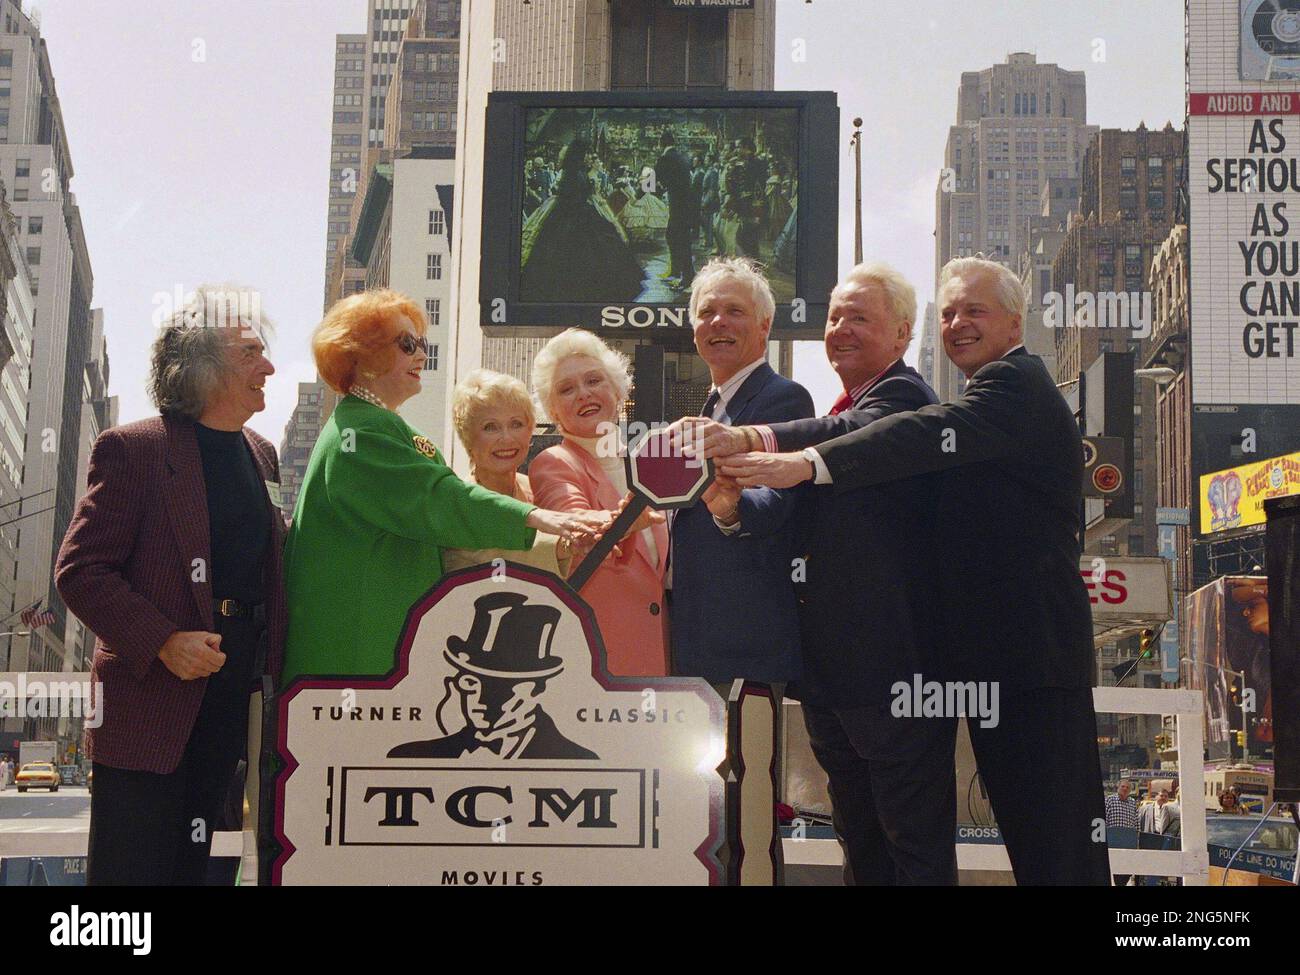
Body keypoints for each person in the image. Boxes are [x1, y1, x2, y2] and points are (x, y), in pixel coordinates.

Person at [711, 256, 1110, 885]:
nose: (957, 324)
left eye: (974, 310)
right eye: (948, 312)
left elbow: (921, 430)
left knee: (1056, 848)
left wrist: (785, 453)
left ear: (1015, 321)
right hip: (986, 667)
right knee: (1012, 845)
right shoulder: (981, 398)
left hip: (1028, 663)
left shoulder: (1013, 385)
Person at [684, 262, 953, 885]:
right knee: (861, 839)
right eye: (834, 318)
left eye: (859, 317)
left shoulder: (903, 397)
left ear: (902, 333)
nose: (841, 330)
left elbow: (845, 435)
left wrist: (750, 439)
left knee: (913, 846)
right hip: (836, 678)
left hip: (895, 672)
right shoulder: (844, 403)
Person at [55, 284, 286, 885]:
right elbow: (80, 571)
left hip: (233, 702)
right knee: (132, 879)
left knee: (202, 871)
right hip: (149, 708)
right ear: (203, 367)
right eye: (251, 355)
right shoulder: (134, 450)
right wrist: (162, 640)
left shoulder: (263, 455)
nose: (269, 367)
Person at [281, 290, 603, 684]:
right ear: (363, 355)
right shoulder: (363, 432)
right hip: (358, 658)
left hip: (382, 656)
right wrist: (536, 516)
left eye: (423, 344)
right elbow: (440, 500)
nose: (421, 355)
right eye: (407, 344)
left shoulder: (382, 426)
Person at [670, 257, 813, 686]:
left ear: (765, 325)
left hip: (745, 651)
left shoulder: (783, 400)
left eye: (735, 312)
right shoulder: (708, 407)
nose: (719, 322)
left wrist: (730, 510)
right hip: (695, 644)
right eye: (707, 313)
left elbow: (774, 505)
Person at [528, 328, 669, 677]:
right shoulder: (554, 463)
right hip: (596, 666)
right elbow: (576, 529)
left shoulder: (647, 463)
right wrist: (623, 522)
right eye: (566, 389)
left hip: (663, 663)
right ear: (553, 411)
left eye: (594, 380)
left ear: (619, 392)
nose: (583, 394)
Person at [388, 592, 597, 761]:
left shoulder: (577, 762)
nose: (480, 699)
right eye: (470, 682)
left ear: (535, 689)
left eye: (500, 686)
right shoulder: (408, 758)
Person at [442, 369, 575, 578]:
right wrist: (564, 545)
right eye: (490, 427)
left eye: (516, 424)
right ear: (468, 437)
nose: (506, 438)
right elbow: (488, 567)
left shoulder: (538, 488)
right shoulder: (459, 503)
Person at [520, 138, 644, 303]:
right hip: (575, 217)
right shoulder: (574, 173)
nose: (589, 157)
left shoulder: (575, 171)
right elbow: (570, 197)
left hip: (578, 214)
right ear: (579, 154)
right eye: (587, 154)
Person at [654, 130, 699, 287]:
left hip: (678, 206)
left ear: (661, 143)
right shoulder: (682, 157)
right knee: (674, 236)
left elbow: (655, 182)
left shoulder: (665, 158)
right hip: (686, 205)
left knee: (679, 240)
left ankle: (687, 277)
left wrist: (641, 195)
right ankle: (676, 271)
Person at [1106, 779, 1139, 886]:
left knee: (1127, 870)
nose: (1125, 789)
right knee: (1115, 869)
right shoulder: (1109, 800)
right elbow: (1104, 820)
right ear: (1118, 788)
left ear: (1130, 790)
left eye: (1127, 787)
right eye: (1123, 787)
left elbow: (1136, 821)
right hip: (1113, 842)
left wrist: (1136, 839)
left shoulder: (1133, 803)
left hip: (1128, 844)